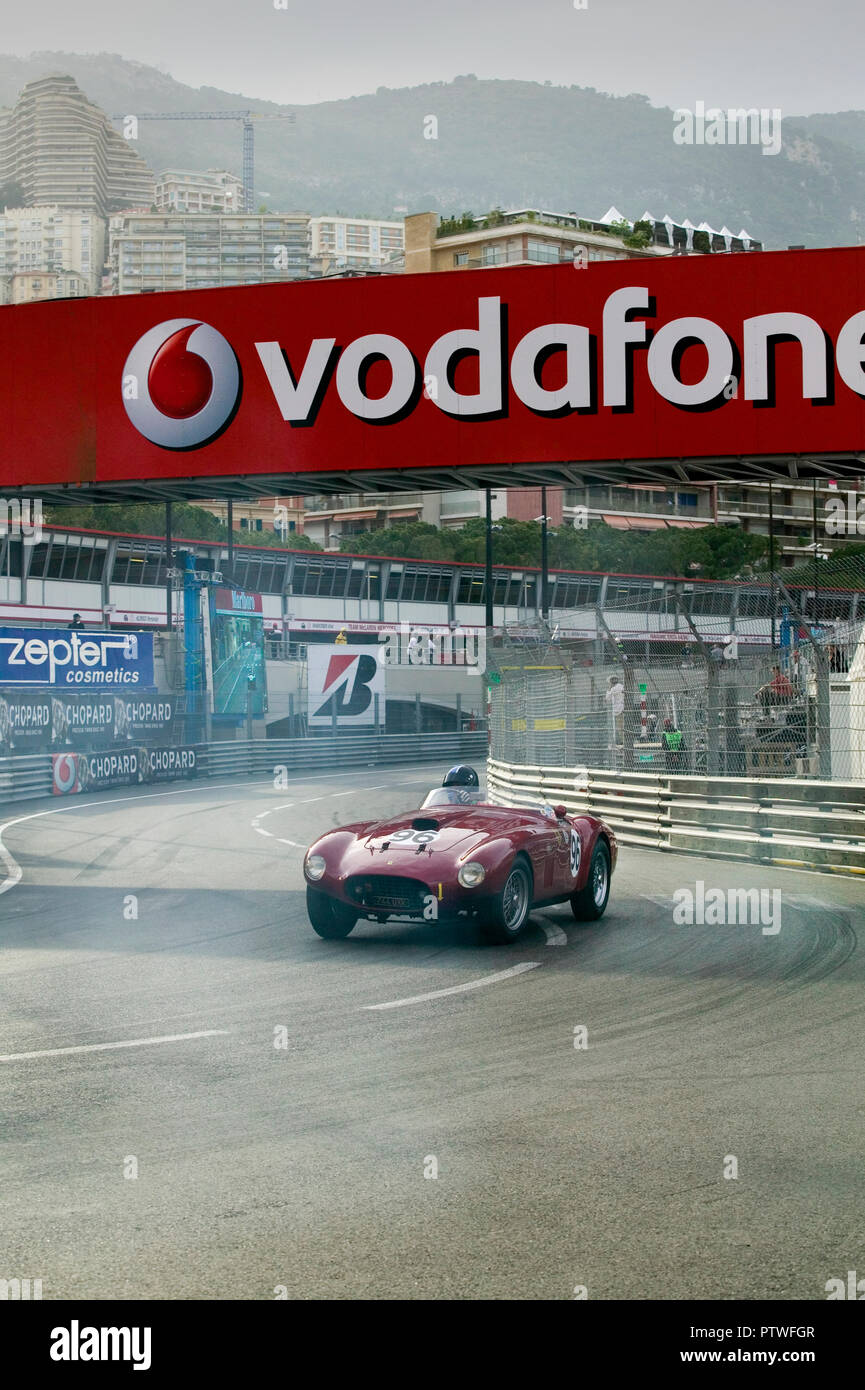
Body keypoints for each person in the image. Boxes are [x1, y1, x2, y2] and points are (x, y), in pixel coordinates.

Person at [605, 675, 624, 744]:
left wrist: (609, 689)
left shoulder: (613, 689)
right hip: (622, 709)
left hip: (618, 710)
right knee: (623, 726)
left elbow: (607, 698)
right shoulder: (621, 686)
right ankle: (624, 740)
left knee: (620, 727)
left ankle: (623, 741)